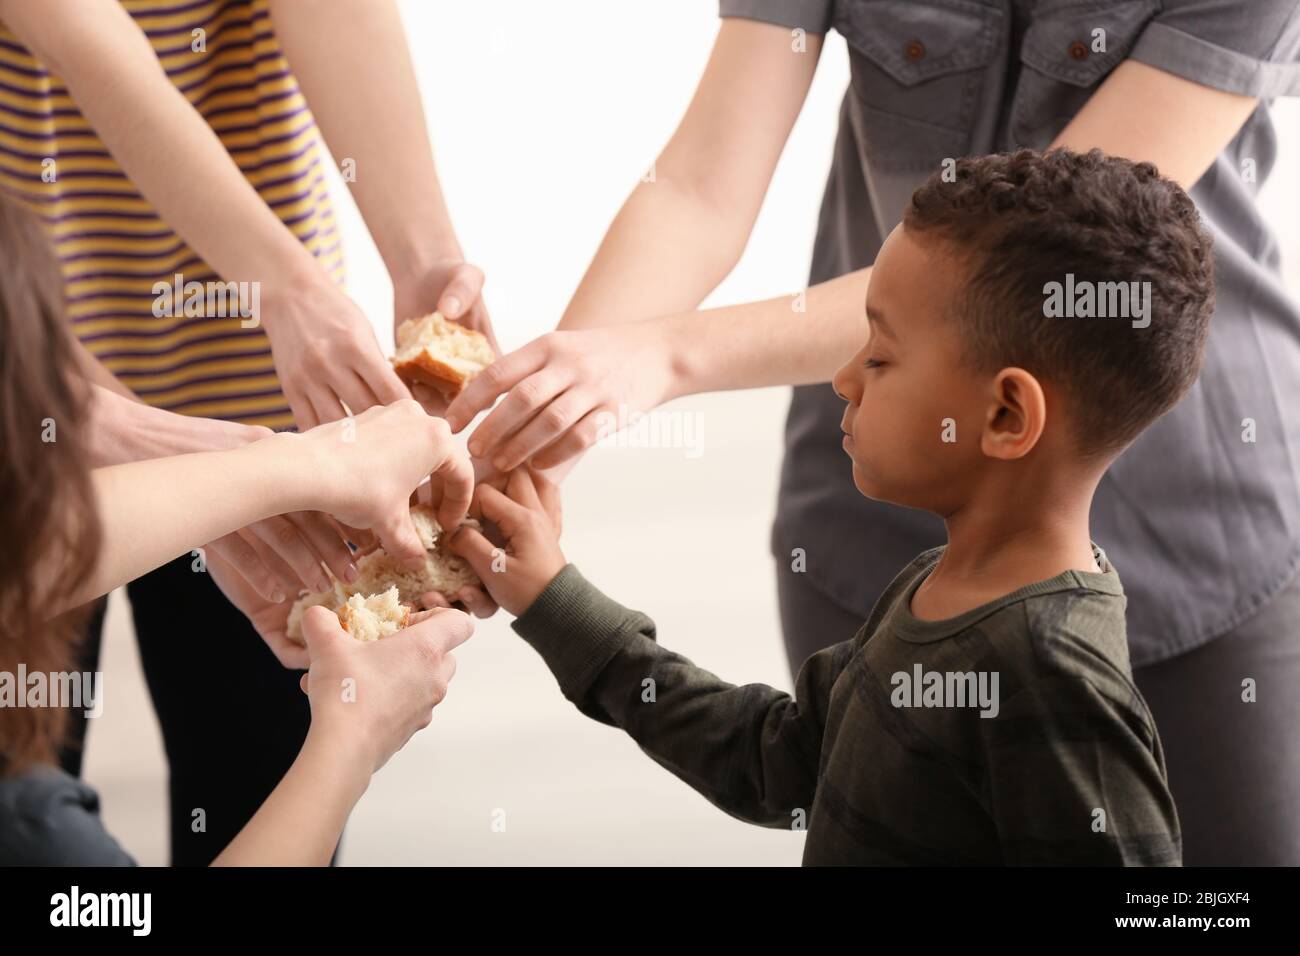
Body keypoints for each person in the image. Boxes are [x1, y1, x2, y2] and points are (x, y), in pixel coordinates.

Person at [444, 3, 1300, 865]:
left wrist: (658, 361)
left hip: (1210, 530)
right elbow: (779, 766)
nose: (841, 379)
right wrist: (554, 586)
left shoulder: (1055, 679)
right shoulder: (928, 591)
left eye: (878, 357)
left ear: (1006, 416)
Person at [0, 0, 494, 864]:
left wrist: (422, 263)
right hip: (24, 368)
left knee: (255, 781)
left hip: (258, 377)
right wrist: (284, 295)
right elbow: (78, 30)